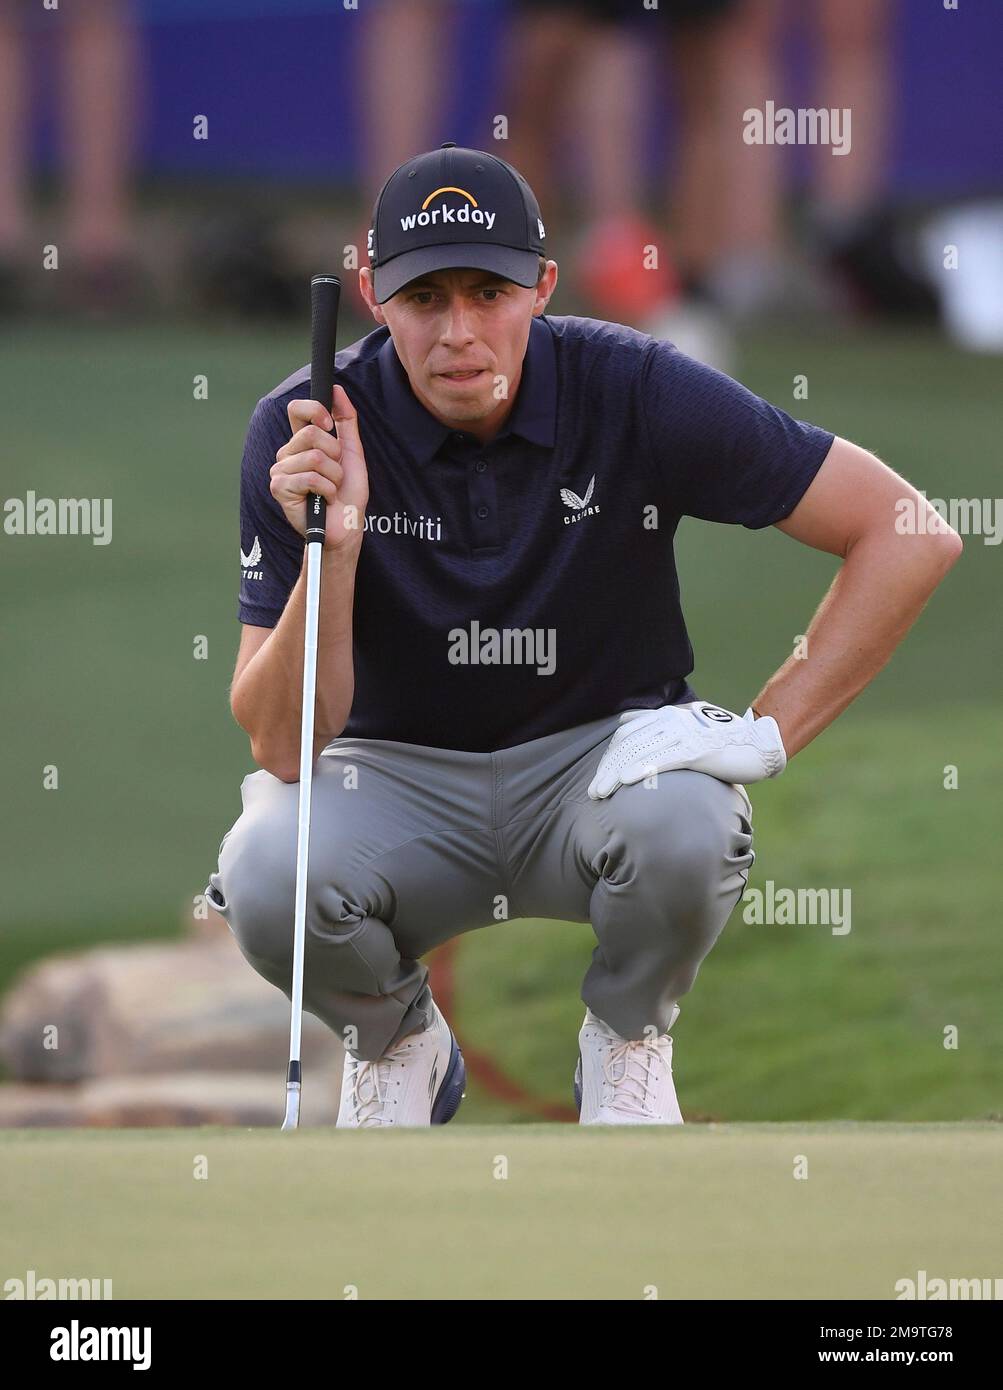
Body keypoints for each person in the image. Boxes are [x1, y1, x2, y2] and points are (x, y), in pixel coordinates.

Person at [205, 144, 962, 1129]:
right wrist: (334, 548)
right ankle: (398, 1044)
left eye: (489, 292)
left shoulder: (633, 385)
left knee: (690, 823)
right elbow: (281, 744)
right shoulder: (304, 430)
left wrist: (767, 731)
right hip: (392, 778)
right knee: (264, 873)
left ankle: (627, 1039)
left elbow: (907, 533)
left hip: (595, 769)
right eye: (426, 299)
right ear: (371, 295)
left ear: (543, 287)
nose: (460, 333)